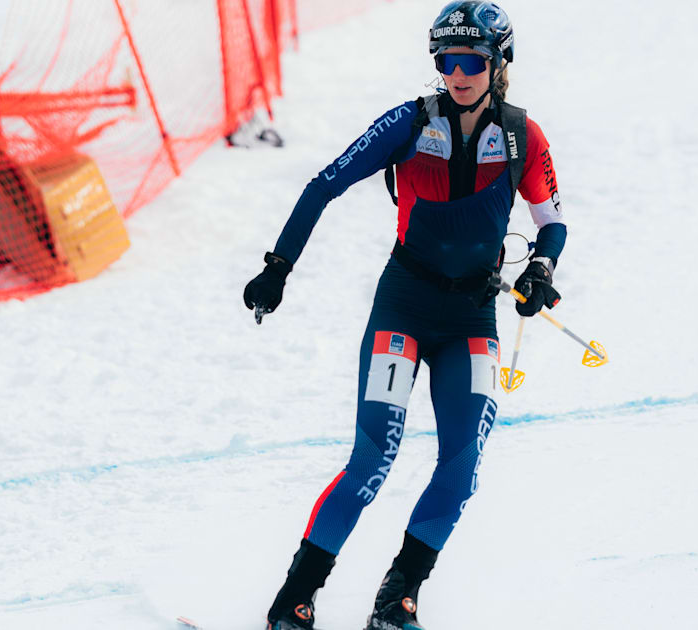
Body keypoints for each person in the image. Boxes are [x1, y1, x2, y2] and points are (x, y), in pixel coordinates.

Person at [242, 2, 566, 629]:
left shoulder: (525, 136)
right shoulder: (410, 123)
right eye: (446, 60)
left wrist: (541, 271)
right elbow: (324, 184)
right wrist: (277, 268)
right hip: (406, 307)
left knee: (463, 461)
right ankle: (295, 602)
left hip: (472, 318)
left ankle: (397, 601)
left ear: (499, 63)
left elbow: (551, 224)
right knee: (374, 455)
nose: (457, 72)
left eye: (471, 60)